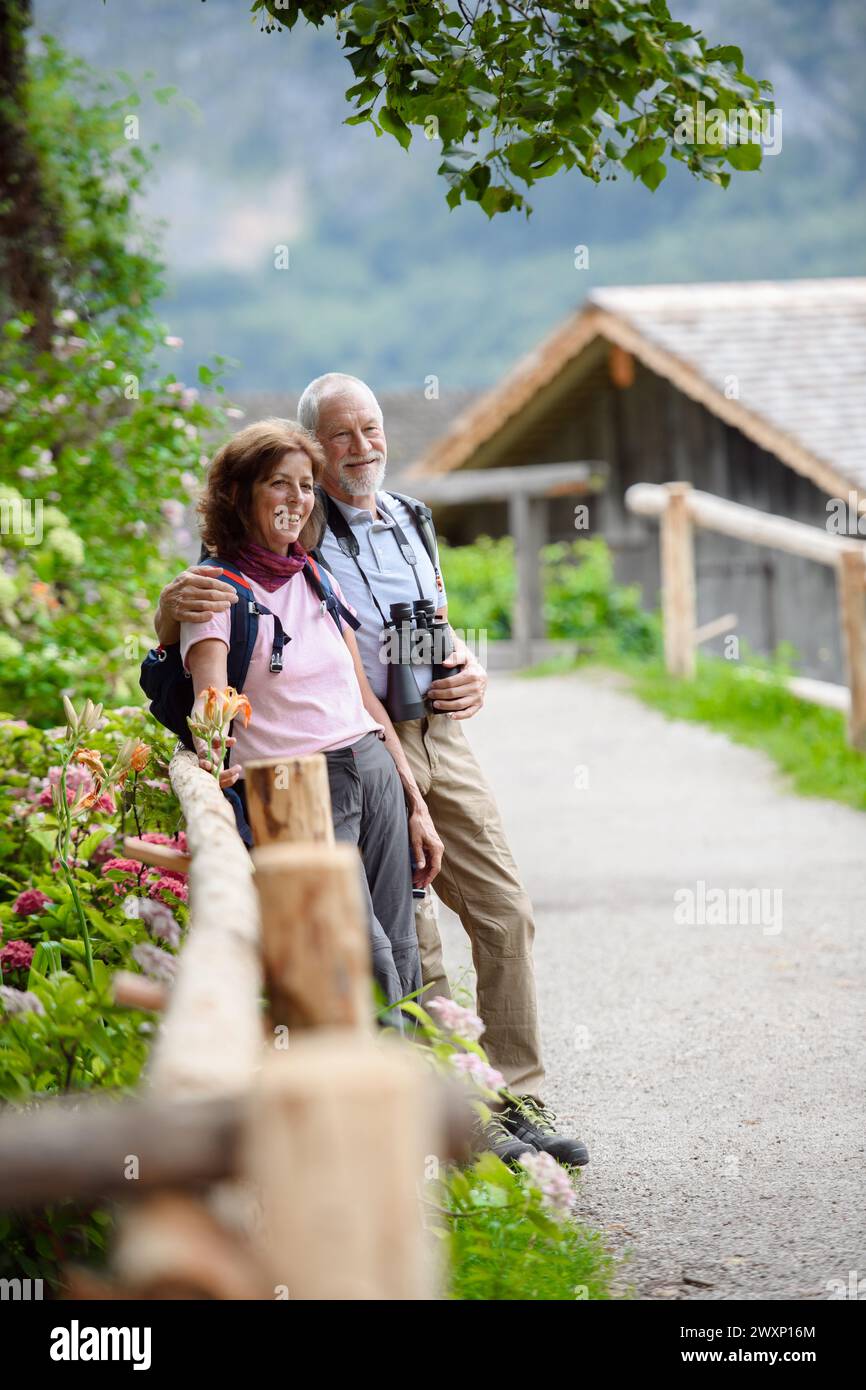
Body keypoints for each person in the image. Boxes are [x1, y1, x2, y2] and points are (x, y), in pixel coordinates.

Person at [155, 380, 588, 1167]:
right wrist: (168, 617)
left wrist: (470, 668)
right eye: (341, 437)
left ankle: (516, 1092)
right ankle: (459, 1112)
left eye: (371, 429)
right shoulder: (296, 531)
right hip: (334, 756)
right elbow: (209, 603)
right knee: (407, 944)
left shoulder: (409, 518)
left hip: (427, 736)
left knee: (503, 911)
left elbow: (428, 626)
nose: (362, 447)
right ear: (316, 452)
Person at [175, 416, 442, 1014]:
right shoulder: (214, 591)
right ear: (239, 495)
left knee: (401, 950)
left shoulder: (316, 577)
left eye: (304, 485)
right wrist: (221, 774)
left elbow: (366, 701)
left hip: (371, 770)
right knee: (357, 955)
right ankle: (369, 1100)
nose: (296, 499)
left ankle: (411, 1089)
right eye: (278, 483)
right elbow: (210, 708)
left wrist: (413, 801)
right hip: (293, 786)